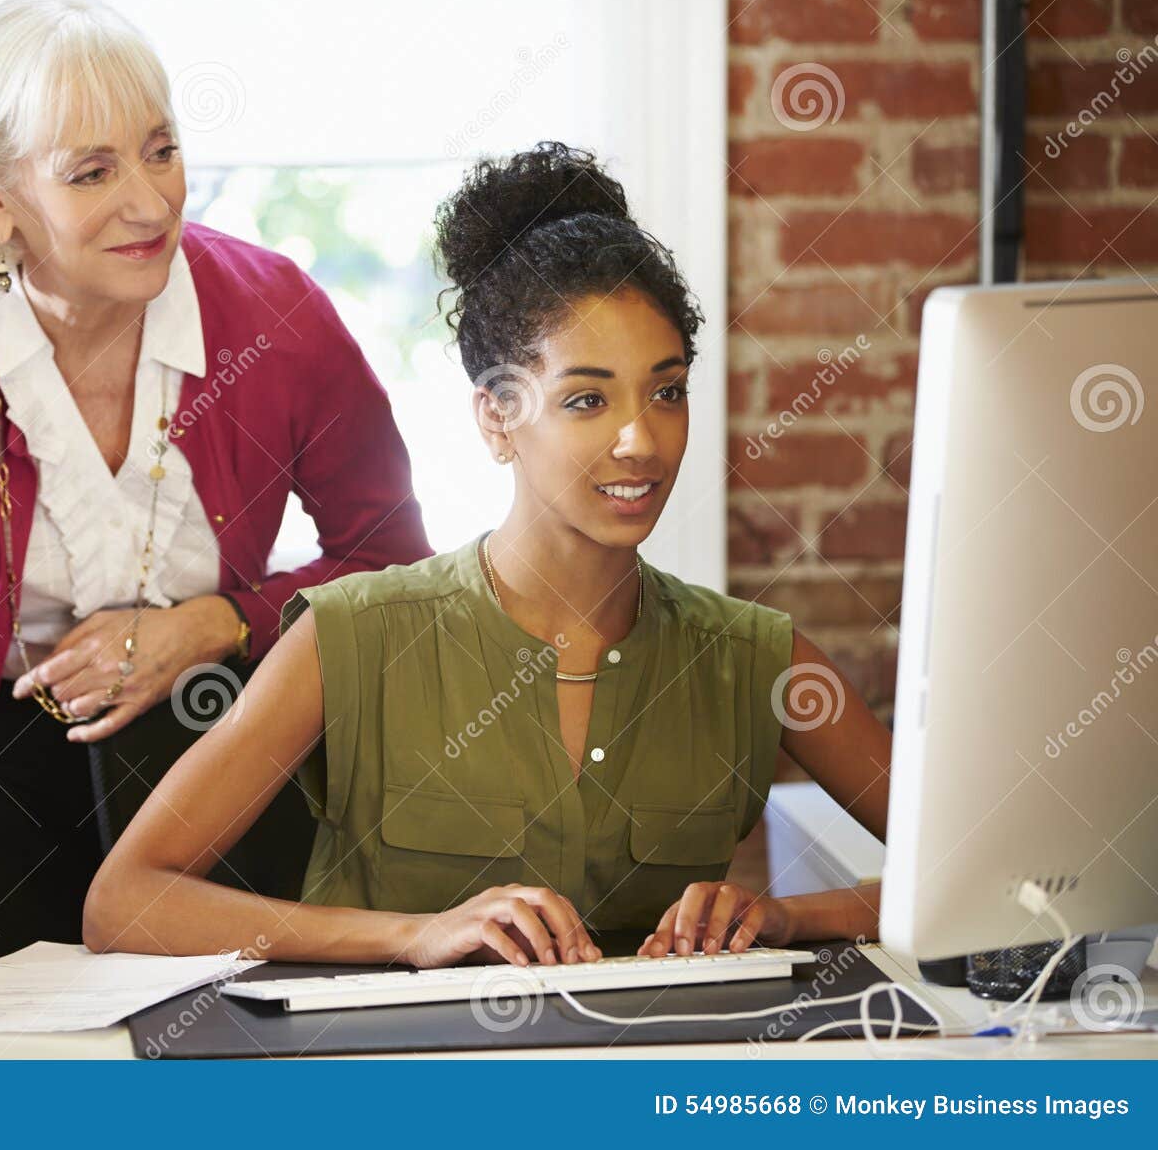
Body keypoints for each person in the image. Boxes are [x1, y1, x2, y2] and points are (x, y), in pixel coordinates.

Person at [0, 0, 429, 1004]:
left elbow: (392, 561)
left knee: (221, 1052)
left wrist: (212, 623)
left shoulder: (275, 310)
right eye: (92, 172)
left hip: (215, 738)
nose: (151, 203)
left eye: (161, 150)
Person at [83, 142, 890, 969]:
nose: (640, 440)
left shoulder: (754, 657)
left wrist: (786, 919)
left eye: (668, 391)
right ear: (497, 418)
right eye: (586, 399)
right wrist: (413, 934)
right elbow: (127, 900)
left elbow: (998, 875)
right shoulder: (350, 637)